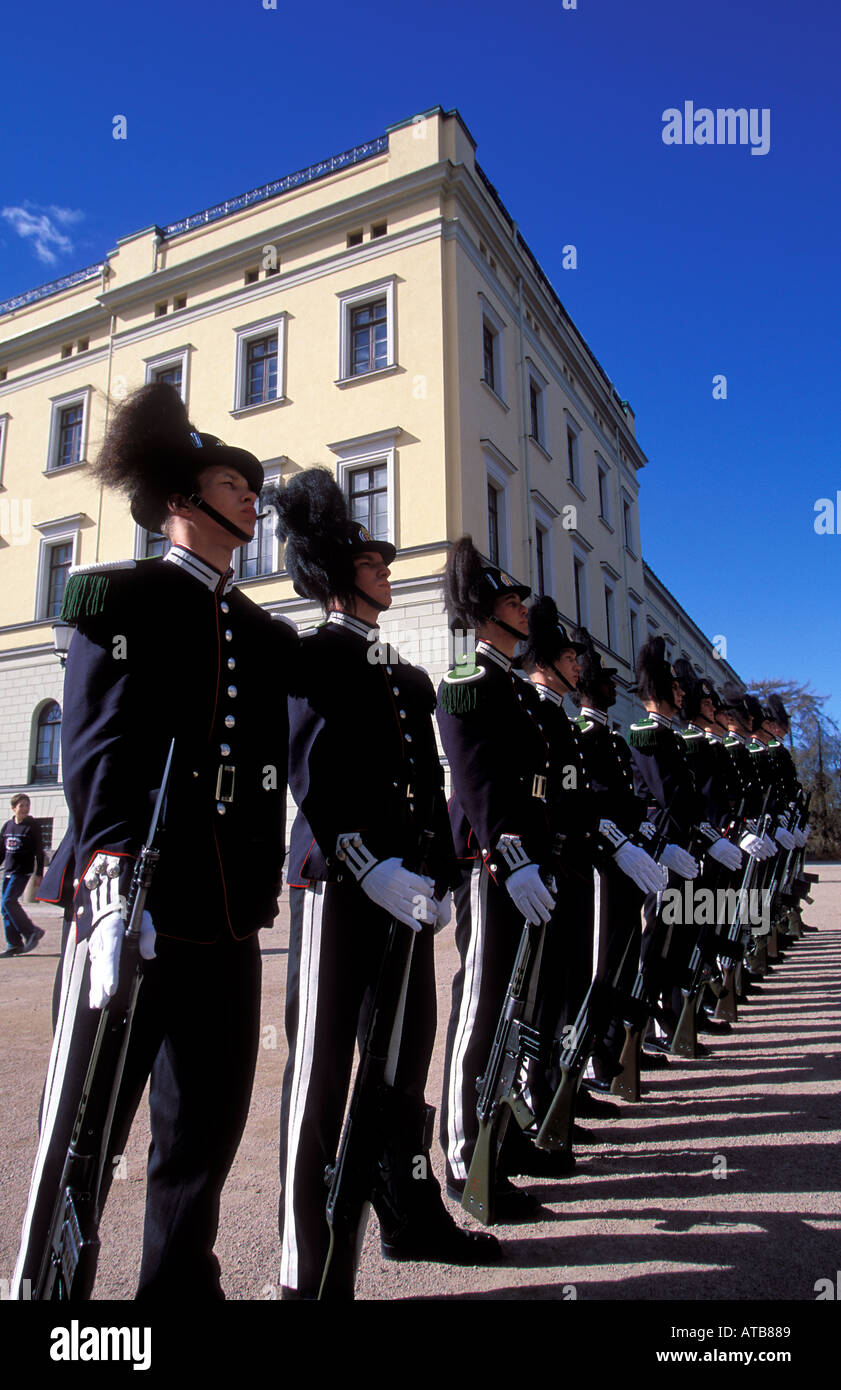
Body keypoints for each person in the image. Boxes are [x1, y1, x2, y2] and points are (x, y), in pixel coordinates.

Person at [12, 382, 294, 1301]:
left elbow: (262, 766)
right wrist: (105, 869)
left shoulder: (257, 627)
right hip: (133, 902)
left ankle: (179, 1295)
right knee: (86, 1129)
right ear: (182, 500)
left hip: (225, 914)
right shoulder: (117, 595)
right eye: (233, 482)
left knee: (203, 1132)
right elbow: (95, 746)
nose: (252, 497)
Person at [273, 472, 500, 1301]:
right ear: (337, 574)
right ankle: (308, 1269)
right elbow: (312, 778)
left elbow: (424, 786)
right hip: (340, 887)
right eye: (373, 560)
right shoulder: (312, 658)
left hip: (409, 893)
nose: (387, 568)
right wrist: (369, 865)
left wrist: (436, 875)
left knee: (405, 1065)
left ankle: (410, 1215)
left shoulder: (404, 678)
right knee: (321, 1073)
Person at [435, 537, 557, 1217]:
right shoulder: (468, 679)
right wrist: (507, 853)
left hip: (529, 865)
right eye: (513, 599)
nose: (522, 607)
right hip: (492, 867)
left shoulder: (513, 687)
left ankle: (501, 1137)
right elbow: (477, 780)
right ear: (486, 611)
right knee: (481, 1006)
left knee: (517, 1008)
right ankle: (463, 1154)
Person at [1, 794, 45, 956]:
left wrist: (39, 873)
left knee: (8, 901)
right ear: (14, 808)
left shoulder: (32, 826)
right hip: (8, 871)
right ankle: (14, 944)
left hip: (22, 871)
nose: (25, 809)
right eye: (22, 806)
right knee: (5, 908)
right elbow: (1, 851)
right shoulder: (7, 826)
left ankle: (31, 931)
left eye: (27, 805)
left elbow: (39, 852)